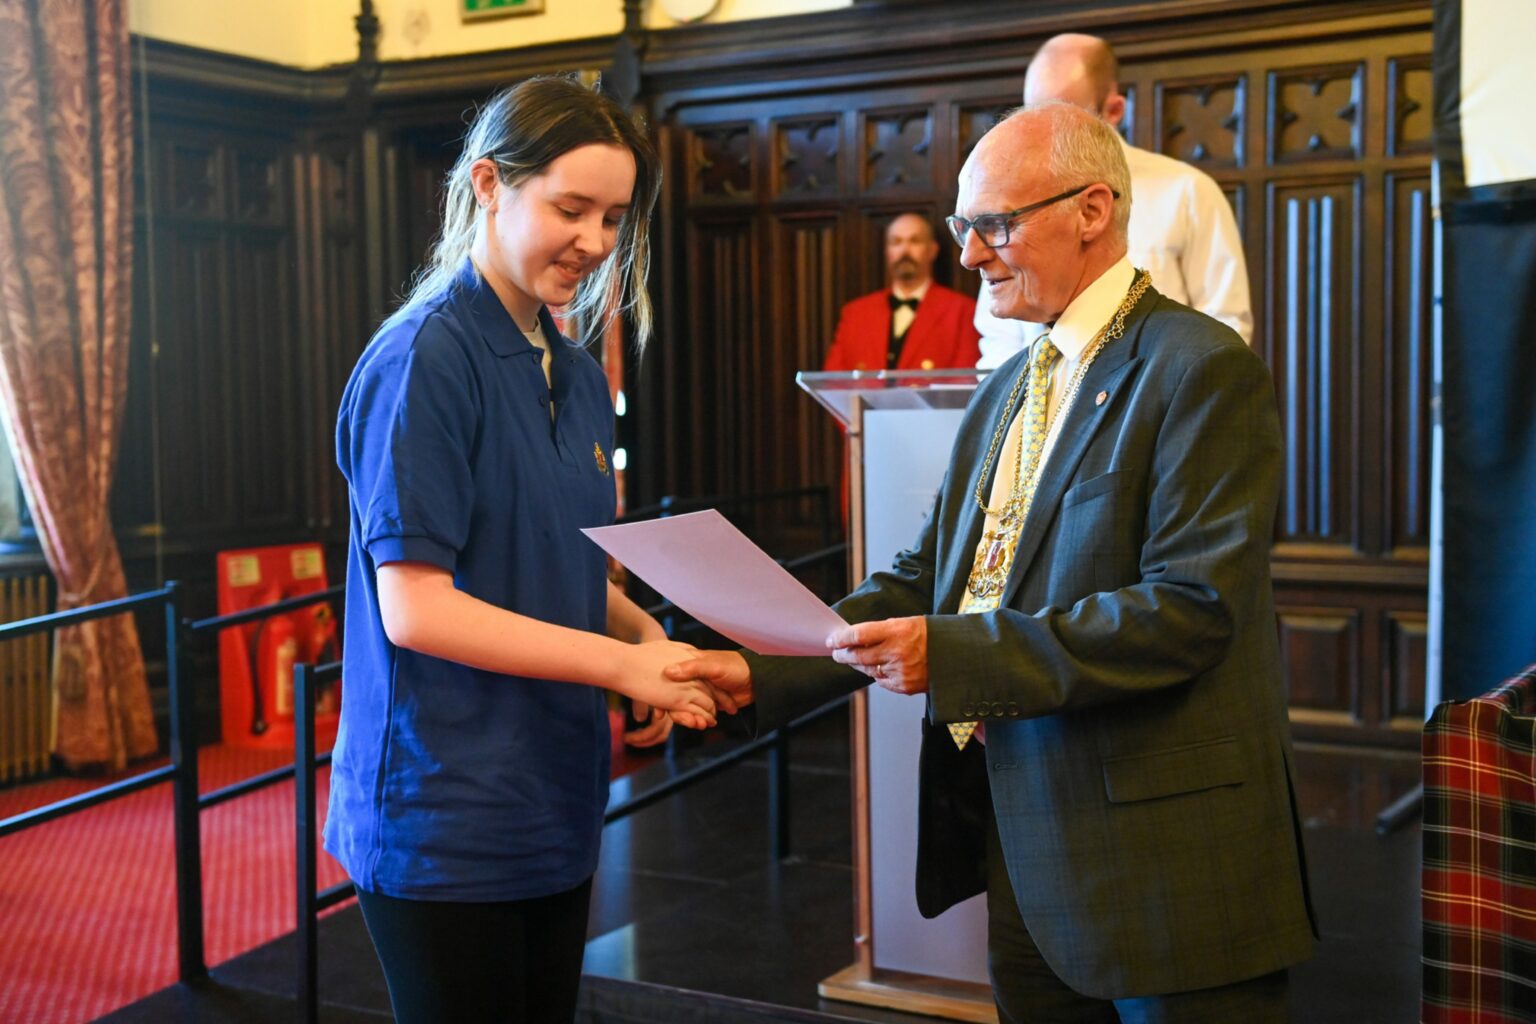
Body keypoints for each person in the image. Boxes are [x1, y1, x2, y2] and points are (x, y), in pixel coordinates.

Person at [672, 102, 1315, 1022]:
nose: (968, 255)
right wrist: (759, 663)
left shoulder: (1198, 367)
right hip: (1026, 838)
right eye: (960, 227)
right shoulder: (1009, 386)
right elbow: (929, 572)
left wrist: (957, 657)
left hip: (1168, 853)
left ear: (1093, 210)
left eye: (994, 225)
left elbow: (1191, 610)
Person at [327, 75, 718, 1024]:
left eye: (614, 218)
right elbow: (416, 608)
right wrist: (625, 661)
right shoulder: (423, 356)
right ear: (490, 184)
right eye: (570, 208)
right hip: (445, 810)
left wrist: (649, 643)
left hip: (551, 793)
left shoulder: (577, 373)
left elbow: (570, 562)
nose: (594, 241)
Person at [976, 32, 1252, 369]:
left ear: (1113, 111)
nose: (1040, 134)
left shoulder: (1188, 192)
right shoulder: (1002, 201)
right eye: (1030, 116)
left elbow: (1224, 325)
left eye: (1061, 118)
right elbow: (998, 336)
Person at [823, 212, 980, 372]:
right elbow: (832, 381)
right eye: (896, 242)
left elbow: (965, 382)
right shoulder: (855, 313)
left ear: (932, 250)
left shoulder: (962, 312)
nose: (905, 250)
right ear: (887, 251)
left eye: (914, 241)